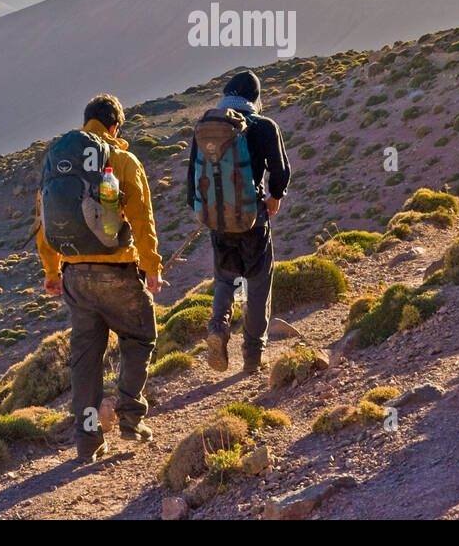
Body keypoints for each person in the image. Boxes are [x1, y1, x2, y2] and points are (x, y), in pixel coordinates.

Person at [37, 94, 162, 463]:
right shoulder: (122, 160)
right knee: (139, 338)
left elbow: (45, 222)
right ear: (114, 127)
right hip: (119, 272)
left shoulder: (60, 163)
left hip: (75, 275)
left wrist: (52, 271)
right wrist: (152, 267)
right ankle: (130, 417)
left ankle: (88, 439)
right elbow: (142, 218)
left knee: (86, 359)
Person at [185, 70, 291, 375]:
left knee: (225, 278)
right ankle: (253, 357)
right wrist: (275, 195)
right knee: (258, 282)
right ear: (254, 98)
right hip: (253, 218)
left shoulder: (206, 128)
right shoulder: (263, 126)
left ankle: (217, 326)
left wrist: (203, 210)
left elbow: (193, 175)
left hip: (217, 221)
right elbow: (281, 170)